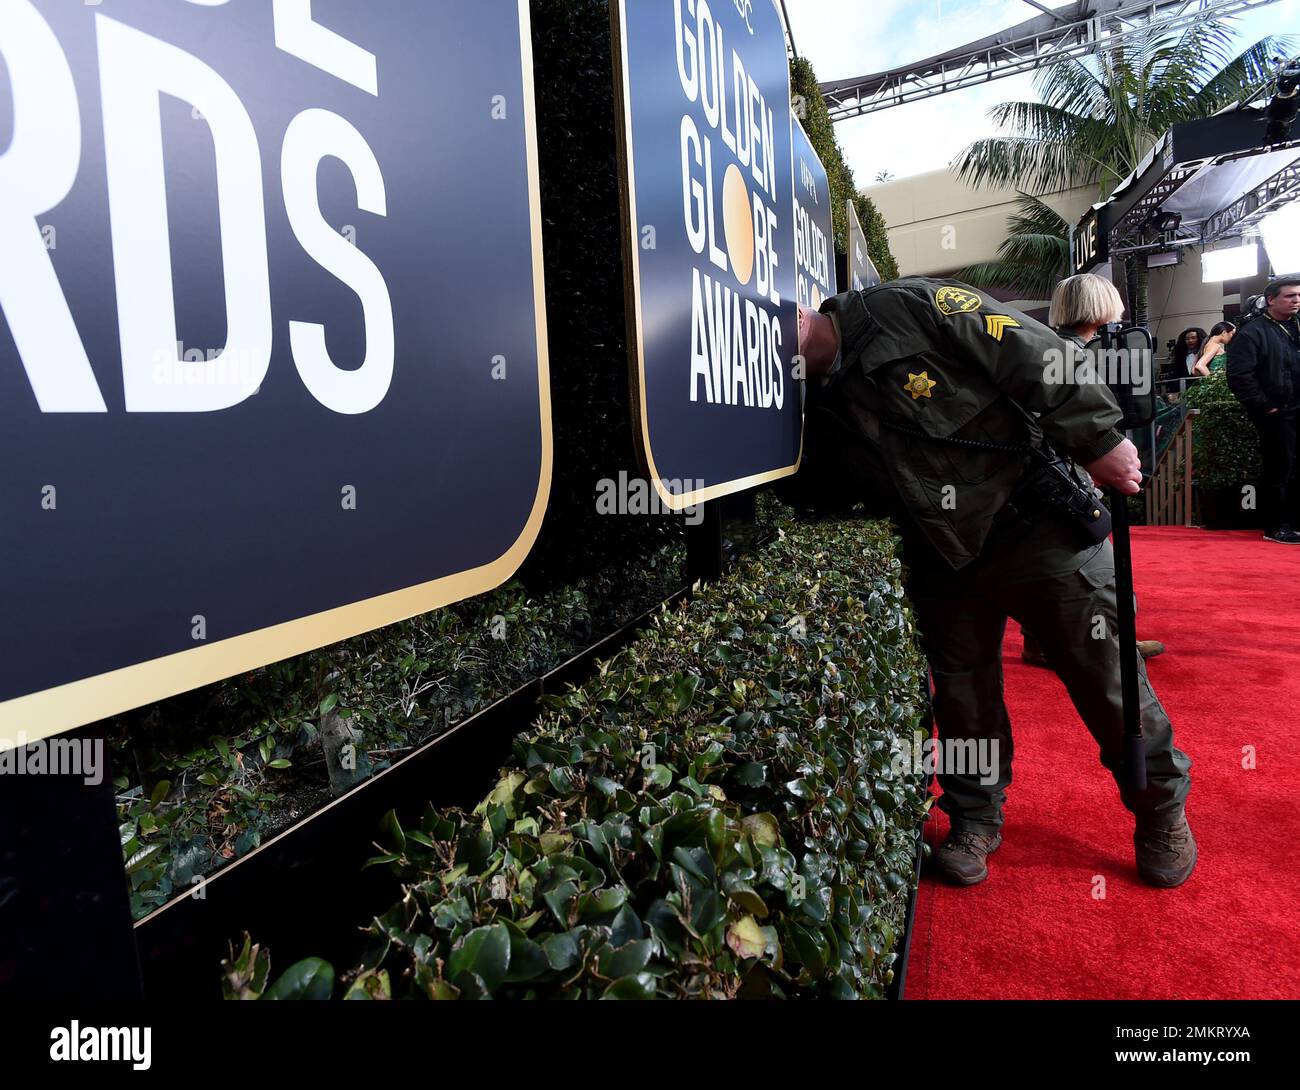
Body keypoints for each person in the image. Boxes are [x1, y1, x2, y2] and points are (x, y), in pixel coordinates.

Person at [794, 276, 1195, 888]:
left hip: (1033, 524)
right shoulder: (808, 398)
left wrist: (1097, 438)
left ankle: (1160, 809)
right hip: (941, 554)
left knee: (1106, 676)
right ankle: (974, 817)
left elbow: (1028, 348)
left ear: (796, 314)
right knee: (962, 695)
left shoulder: (902, 307)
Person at [1021, 274, 1164, 667]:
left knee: (1046, 571)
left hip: (1051, 477)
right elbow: (1072, 424)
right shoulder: (1072, 354)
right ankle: (1111, 641)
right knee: (1090, 568)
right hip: (1062, 478)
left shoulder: (1054, 347)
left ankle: (1039, 642)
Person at [1226, 276, 1300, 545]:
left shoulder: (1295, 327)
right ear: (1271, 299)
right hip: (1275, 411)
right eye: (1290, 296)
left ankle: (1292, 522)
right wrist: (1265, 406)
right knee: (1279, 467)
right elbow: (1238, 376)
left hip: (1295, 407)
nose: (1296, 300)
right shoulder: (1252, 331)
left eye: (1298, 296)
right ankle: (1276, 525)